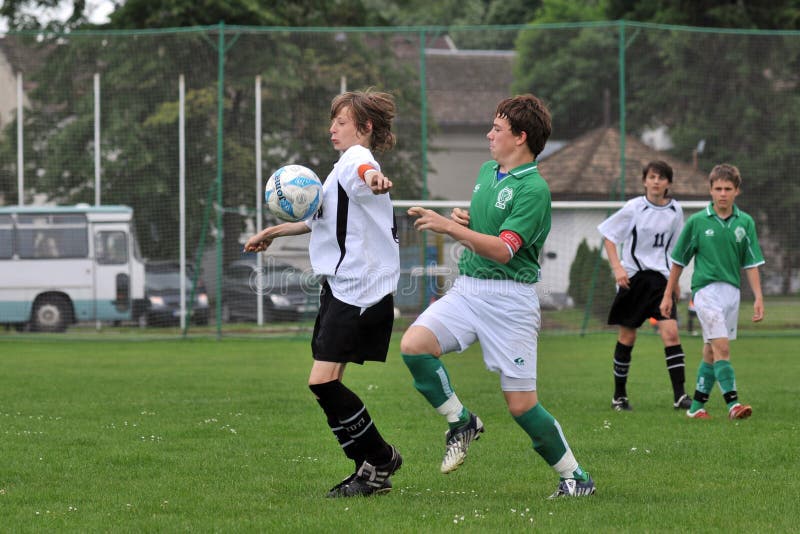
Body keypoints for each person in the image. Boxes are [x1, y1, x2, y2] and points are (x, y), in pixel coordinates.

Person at [401, 94, 595, 499]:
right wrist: (466, 221)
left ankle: (576, 478)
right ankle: (461, 422)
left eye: (497, 128)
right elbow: (487, 229)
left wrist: (450, 228)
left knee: (522, 406)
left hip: (510, 302)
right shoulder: (488, 171)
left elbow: (505, 250)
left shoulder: (534, 189)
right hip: (469, 289)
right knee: (414, 345)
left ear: (520, 137)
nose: (489, 135)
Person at [244, 89, 402, 497]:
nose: (332, 128)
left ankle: (379, 459)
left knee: (323, 382)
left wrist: (374, 179)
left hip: (358, 290)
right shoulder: (338, 169)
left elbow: (366, 172)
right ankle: (370, 469)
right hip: (343, 288)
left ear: (364, 127)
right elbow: (320, 218)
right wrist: (274, 231)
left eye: (341, 122)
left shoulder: (355, 160)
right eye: (333, 121)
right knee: (326, 383)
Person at [659, 163, 764, 420]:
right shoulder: (697, 222)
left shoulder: (745, 222)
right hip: (705, 292)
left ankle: (696, 407)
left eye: (728, 189)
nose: (722, 194)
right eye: (718, 189)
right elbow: (678, 261)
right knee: (722, 348)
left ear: (737, 191)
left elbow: (751, 263)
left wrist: (759, 297)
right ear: (710, 190)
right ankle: (733, 405)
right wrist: (667, 294)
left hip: (732, 293)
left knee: (711, 350)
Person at [597, 161, 691, 412]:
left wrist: (675, 283)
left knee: (671, 333)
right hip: (634, 279)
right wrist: (617, 268)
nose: (656, 182)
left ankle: (680, 396)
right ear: (644, 181)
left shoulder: (676, 210)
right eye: (651, 177)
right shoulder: (634, 207)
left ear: (668, 183)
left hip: (661, 282)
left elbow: (676, 250)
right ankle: (619, 396)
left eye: (661, 177)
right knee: (628, 336)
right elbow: (609, 237)